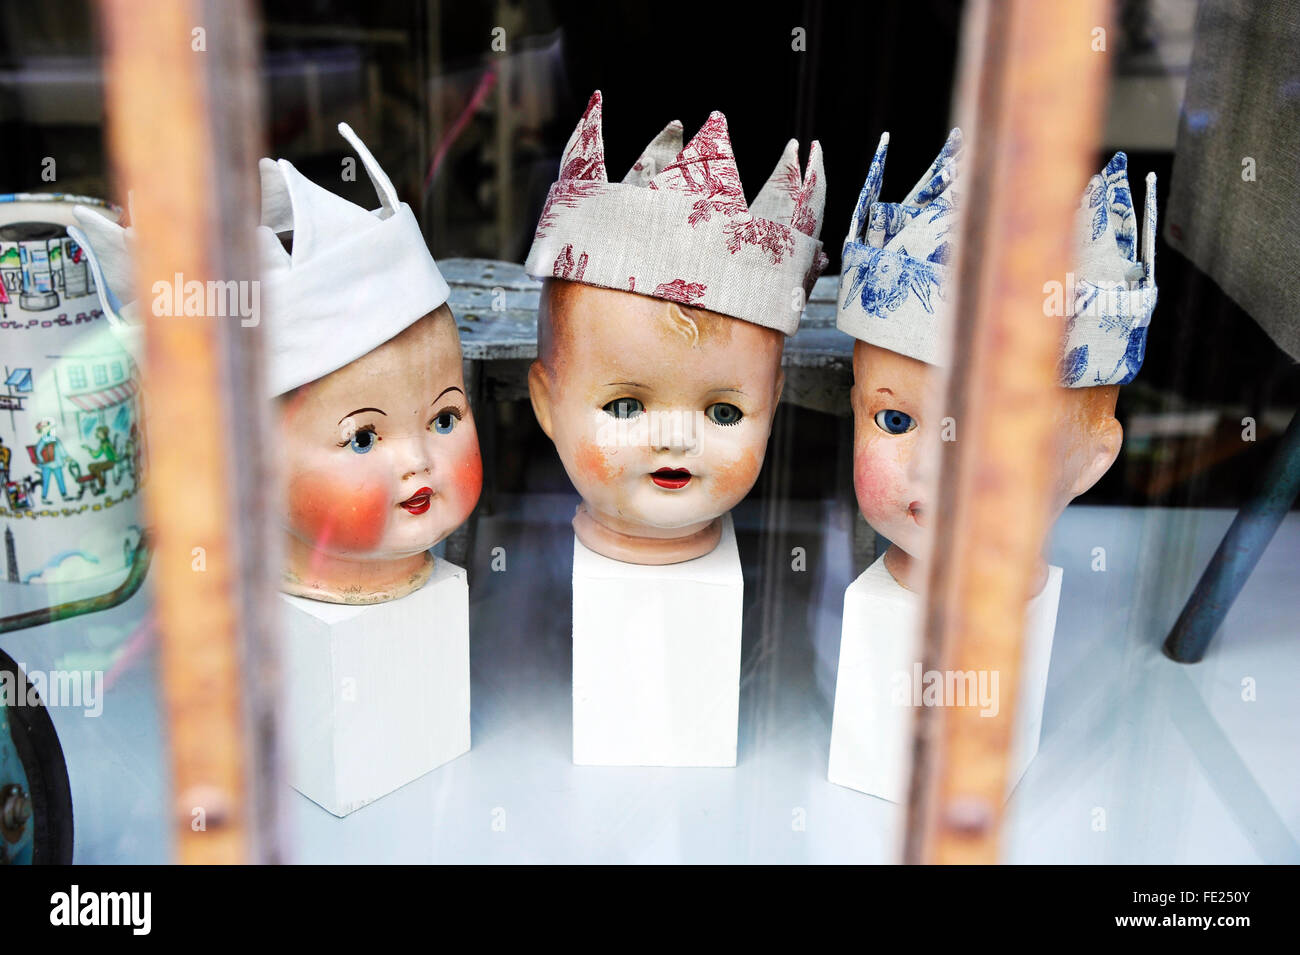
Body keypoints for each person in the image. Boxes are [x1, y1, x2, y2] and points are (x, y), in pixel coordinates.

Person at [33, 419, 73, 504]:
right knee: (46, 481)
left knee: (60, 479)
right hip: (47, 464)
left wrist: (66, 456)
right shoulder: (43, 440)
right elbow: (38, 451)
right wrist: (42, 460)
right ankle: (44, 498)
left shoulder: (55, 439)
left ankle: (64, 495)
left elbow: (61, 449)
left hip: (56, 463)